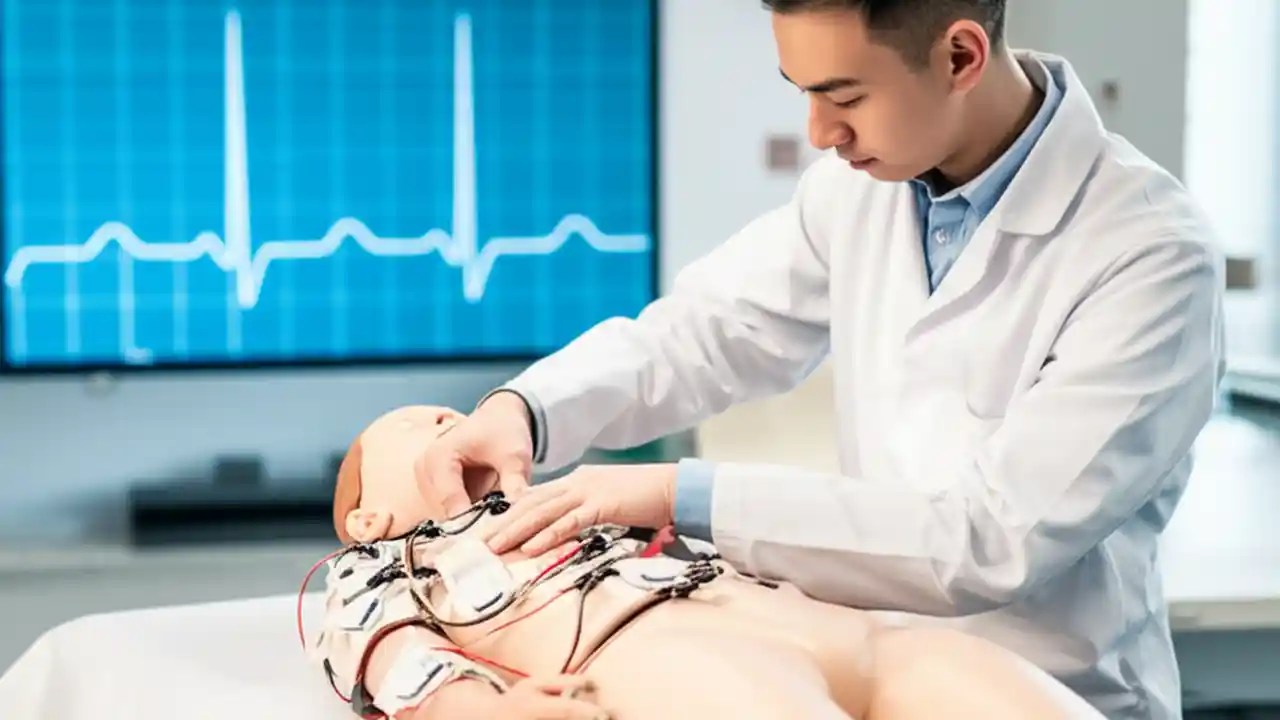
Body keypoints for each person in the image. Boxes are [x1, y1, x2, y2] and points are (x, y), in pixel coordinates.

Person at [415, 1, 1226, 718]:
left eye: (844, 96)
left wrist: (674, 494)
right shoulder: (861, 187)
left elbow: (988, 540)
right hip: (858, 671)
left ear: (960, 57)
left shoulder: (1149, 253)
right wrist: (528, 410)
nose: (818, 132)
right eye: (802, 90)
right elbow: (708, 330)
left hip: (1047, 687)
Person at [307, 404, 1103, 719]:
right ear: (366, 516)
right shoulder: (380, 566)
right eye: (417, 426)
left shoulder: (579, 504)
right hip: (657, 652)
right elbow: (397, 662)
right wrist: (491, 714)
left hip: (828, 625)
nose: (450, 421)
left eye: (453, 413)